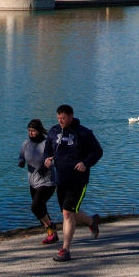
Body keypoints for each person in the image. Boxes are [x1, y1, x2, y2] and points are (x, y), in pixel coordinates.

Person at [43, 104, 103, 262]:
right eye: (58, 118)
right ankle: (92, 221)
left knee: (67, 213)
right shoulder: (54, 131)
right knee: (70, 211)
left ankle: (65, 249)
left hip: (78, 180)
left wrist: (85, 163)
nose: (60, 121)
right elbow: (48, 148)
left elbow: (97, 151)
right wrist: (47, 158)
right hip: (61, 179)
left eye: (63, 118)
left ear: (71, 116)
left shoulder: (84, 133)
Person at [18, 119, 58, 245]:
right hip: (33, 183)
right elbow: (21, 156)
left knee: (35, 207)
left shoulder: (46, 144)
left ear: (39, 131)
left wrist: (46, 166)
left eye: (33, 131)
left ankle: (51, 227)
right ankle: (52, 235)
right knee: (41, 209)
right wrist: (21, 162)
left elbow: (54, 159)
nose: (30, 133)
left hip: (47, 182)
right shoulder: (26, 143)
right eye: (29, 131)